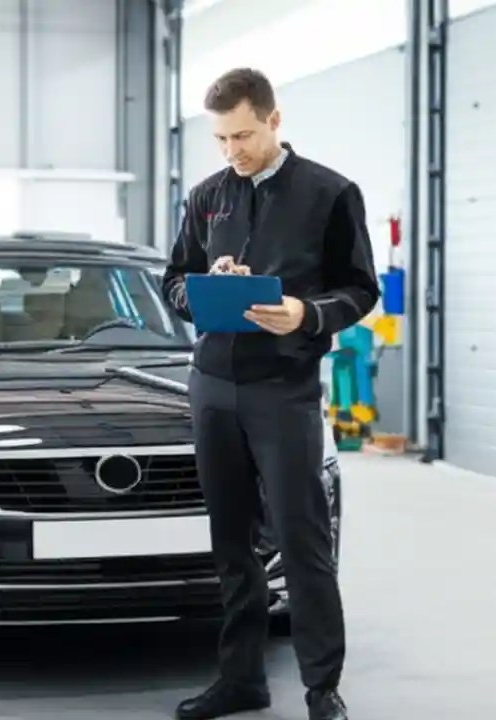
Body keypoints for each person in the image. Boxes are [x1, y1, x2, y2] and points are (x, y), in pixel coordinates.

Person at [162, 68, 380, 720]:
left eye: (244, 135)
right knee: (231, 541)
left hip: (283, 392)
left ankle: (322, 690)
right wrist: (206, 285)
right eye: (222, 139)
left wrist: (306, 315)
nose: (233, 151)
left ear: (275, 120)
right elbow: (173, 282)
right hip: (214, 387)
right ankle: (241, 680)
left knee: (301, 539)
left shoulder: (331, 193)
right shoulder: (206, 197)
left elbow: (361, 290)